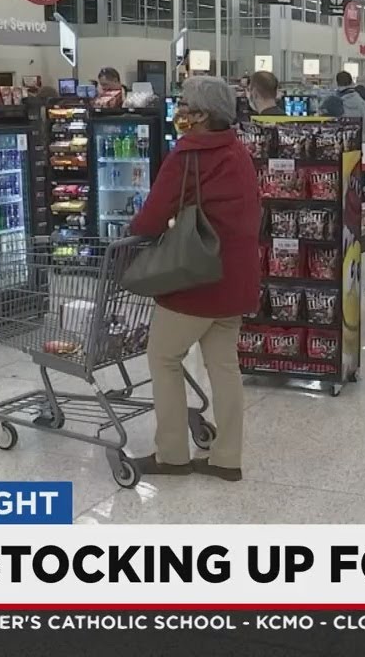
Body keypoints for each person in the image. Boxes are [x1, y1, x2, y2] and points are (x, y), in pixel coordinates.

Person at [129, 77, 262, 482]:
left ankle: (171, 455)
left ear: (202, 115)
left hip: (196, 278)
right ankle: (227, 458)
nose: (179, 112)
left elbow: (153, 215)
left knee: (163, 357)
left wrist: (130, 238)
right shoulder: (238, 152)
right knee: (224, 366)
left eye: (185, 106)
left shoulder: (187, 155)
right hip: (236, 278)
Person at [320, 71, 365, 143]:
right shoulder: (362, 103)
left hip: (341, 143)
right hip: (358, 145)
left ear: (337, 83)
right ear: (351, 82)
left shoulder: (331, 102)